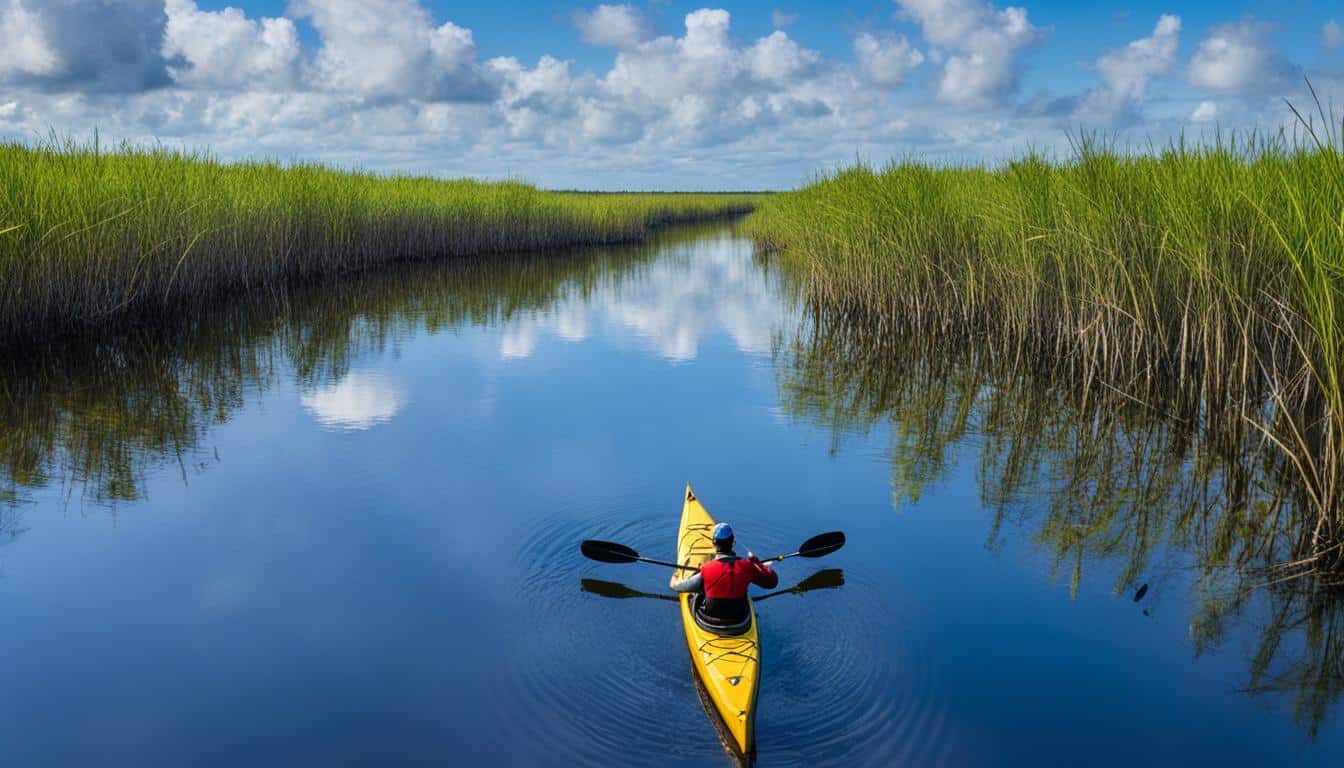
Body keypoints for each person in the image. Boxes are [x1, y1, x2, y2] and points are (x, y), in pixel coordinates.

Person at [669, 522, 778, 624]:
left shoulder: (706, 569)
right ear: (733, 542)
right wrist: (757, 563)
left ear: (714, 544)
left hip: (710, 619)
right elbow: (772, 583)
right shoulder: (747, 566)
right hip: (738, 619)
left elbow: (677, 587)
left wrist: (675, 577)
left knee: (696, 591)